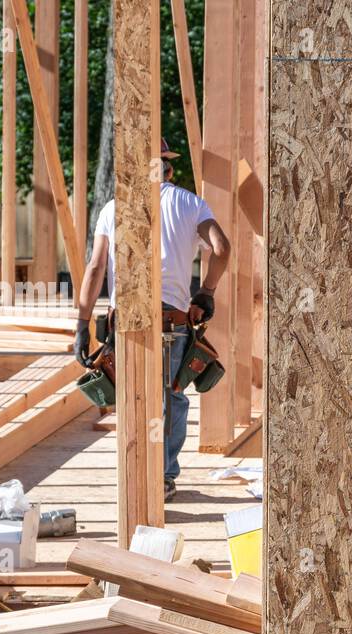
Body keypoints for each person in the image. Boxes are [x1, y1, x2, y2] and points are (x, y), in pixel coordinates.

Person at [74, 138, 231, 502]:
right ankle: (162, 479)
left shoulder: (114, 209)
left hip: (126, 322)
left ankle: (136, 475)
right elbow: (221, 249)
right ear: (167, 167)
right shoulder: (189, 203)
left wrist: (82, 325)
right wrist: (206, 291)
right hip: (171, 321)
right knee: (171, 396)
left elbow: (96, 267)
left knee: (133, 396)